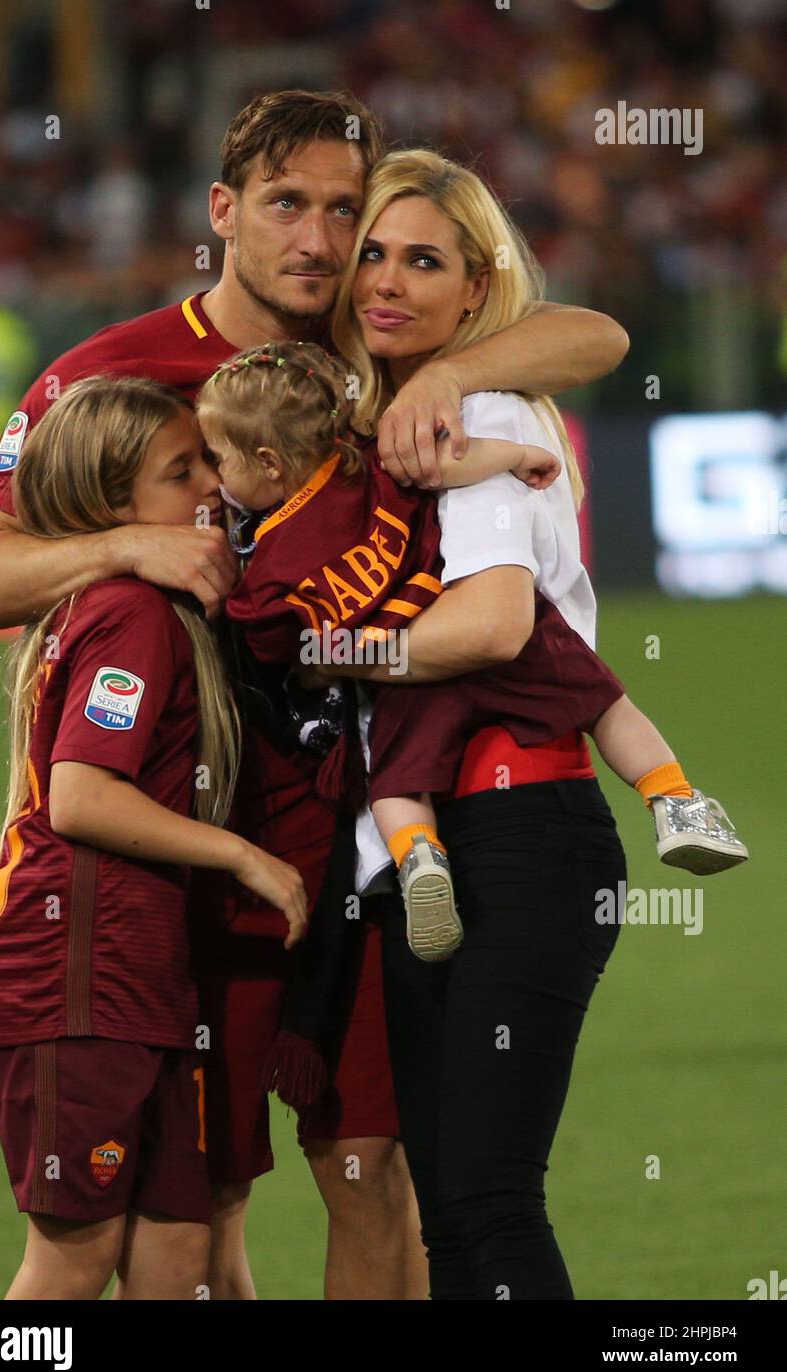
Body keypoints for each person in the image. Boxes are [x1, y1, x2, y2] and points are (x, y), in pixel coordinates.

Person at [0, 89, 630, 1300]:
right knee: (174, 1218)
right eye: (285, 205)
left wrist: (445, 374)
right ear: (224, 212)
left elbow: (594, 337)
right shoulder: (119, 374)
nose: (316, 240)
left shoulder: (377, 354)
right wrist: (130, 548)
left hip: (354, 838)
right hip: (166, 865)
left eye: (342, 213)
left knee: (364, 1166)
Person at [312, 147, 747, 1296]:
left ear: (475, 288)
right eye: (371, 256)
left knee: (488, 1204)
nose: (386, 282)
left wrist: (333, 652)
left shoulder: (479, 407)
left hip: (516, 832)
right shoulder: (383, 414)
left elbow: (495, 627)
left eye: (423, 260)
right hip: (440, 846)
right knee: (454, 1219)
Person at [198, 337, 747, 961]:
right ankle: (674, 800)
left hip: (406, 675)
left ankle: (422, 863)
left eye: (217, 458)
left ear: (269, 463)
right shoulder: (373, 464)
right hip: (469, 615)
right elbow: (448, 464)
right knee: (605, 705)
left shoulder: (265, 572)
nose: (214, 477)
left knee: (393, 780)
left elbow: (279, 648)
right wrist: (517, 454)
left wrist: (311, 656)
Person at [0, 376, 307, 1299]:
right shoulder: (133, 612)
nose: (210, 484)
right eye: (179, 469)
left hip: (137, 970)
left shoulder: (131, 607)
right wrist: (243, 855)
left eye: (207, 458)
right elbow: (81, 797)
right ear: (114, 507)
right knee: (70, 1267)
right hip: (75, 969)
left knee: (176, 1257)